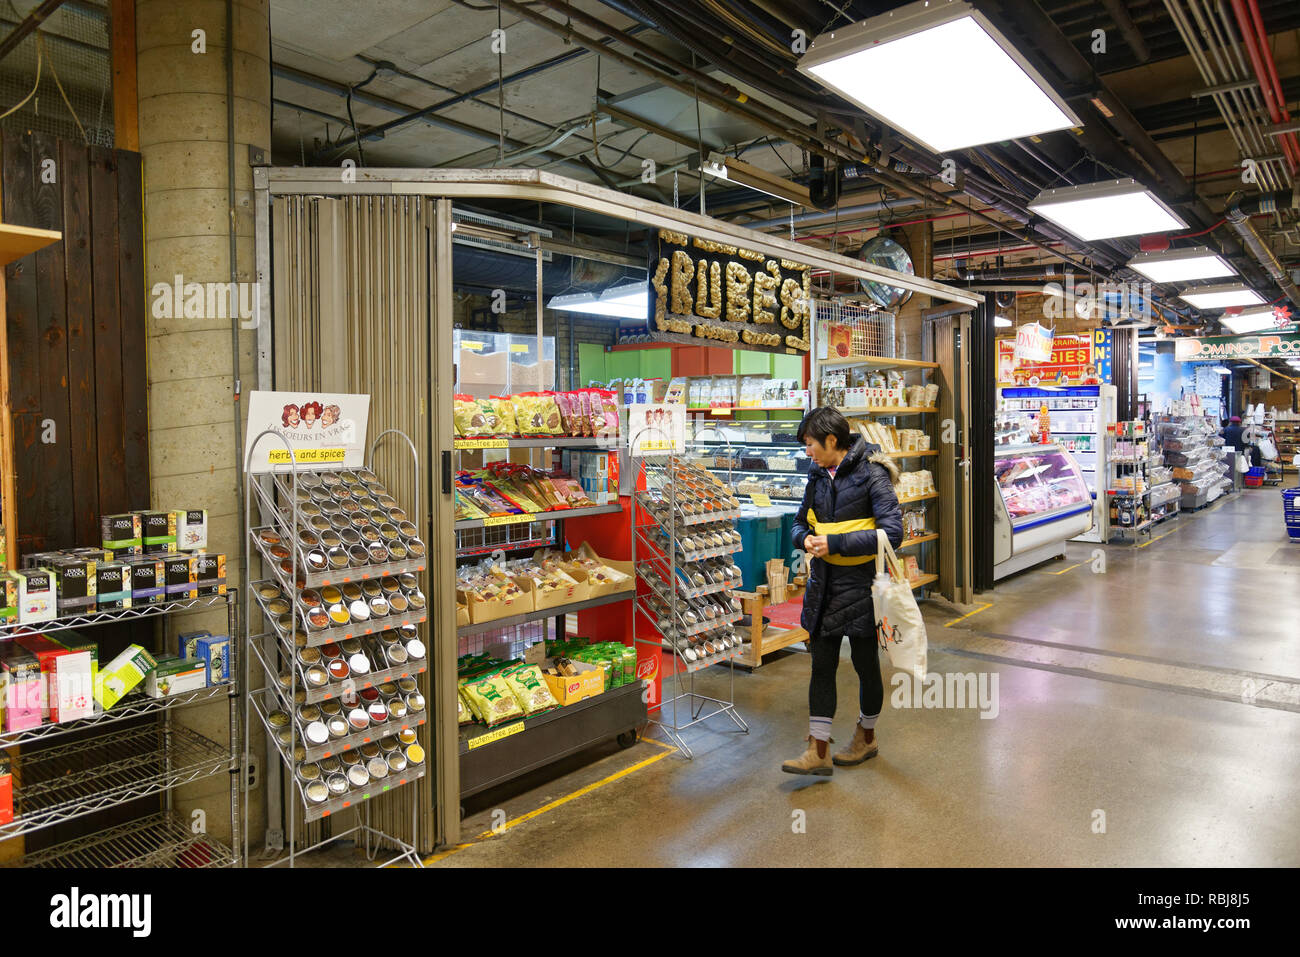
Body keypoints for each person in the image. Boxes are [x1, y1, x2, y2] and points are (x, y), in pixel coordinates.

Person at [783, 407, 903, 776]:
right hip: (823, 588)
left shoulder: (873, 474)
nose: (807, 452)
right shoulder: (817, 475)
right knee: (822, 665)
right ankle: (818, 750)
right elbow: (799, 521)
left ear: (831, 441)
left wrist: (834, 544)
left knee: (867, 667)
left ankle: (866, 736)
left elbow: (893, 533)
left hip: (864, 588)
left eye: (810, 444)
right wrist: (805, 539)